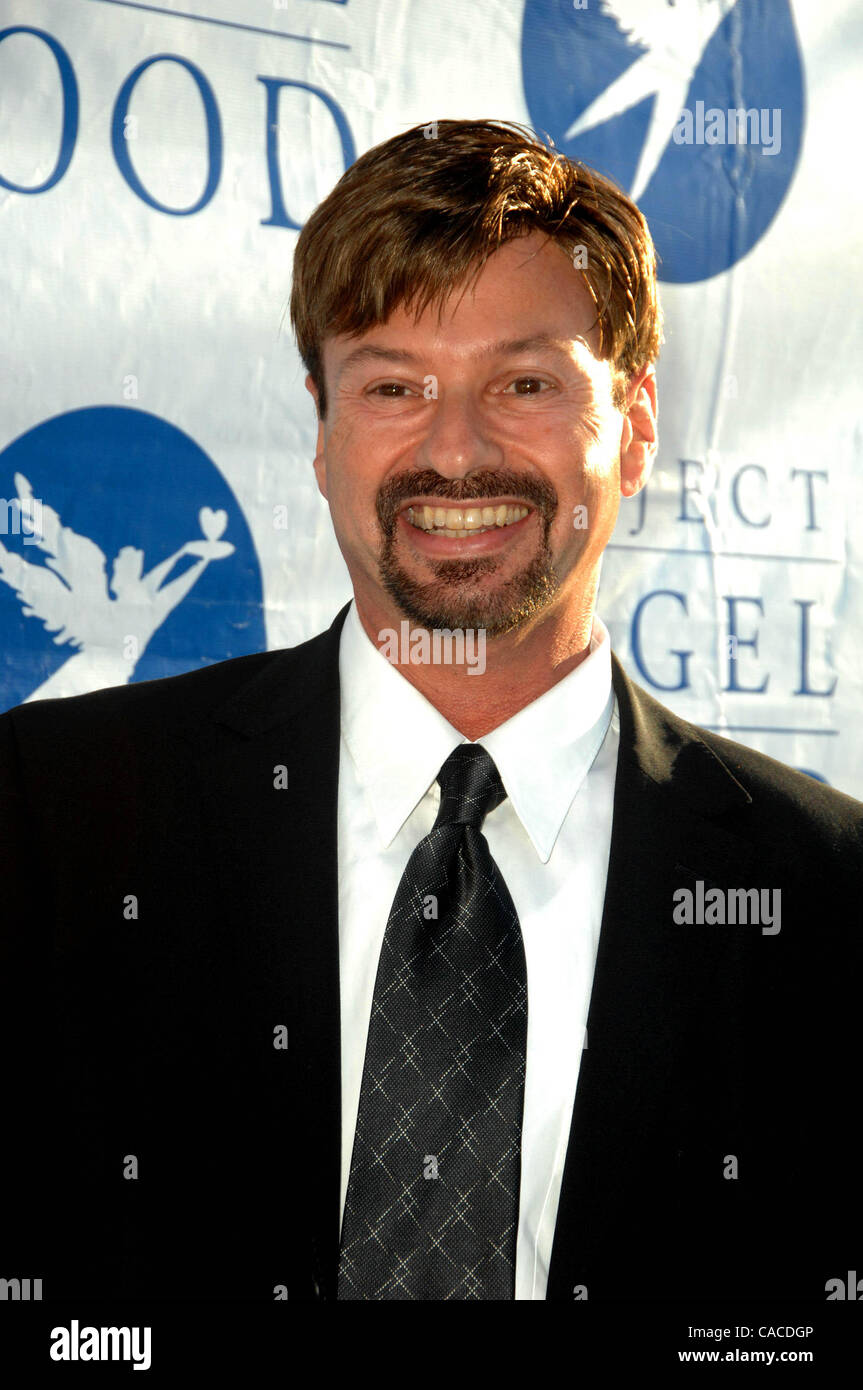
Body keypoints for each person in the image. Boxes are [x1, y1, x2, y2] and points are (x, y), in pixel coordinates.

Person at [1, 120, 859, 1304]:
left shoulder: (827, 890)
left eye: (523, 382)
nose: (455, 452)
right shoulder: (46, 819)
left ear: (637, 423)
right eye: (394, 384)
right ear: (321, 428)